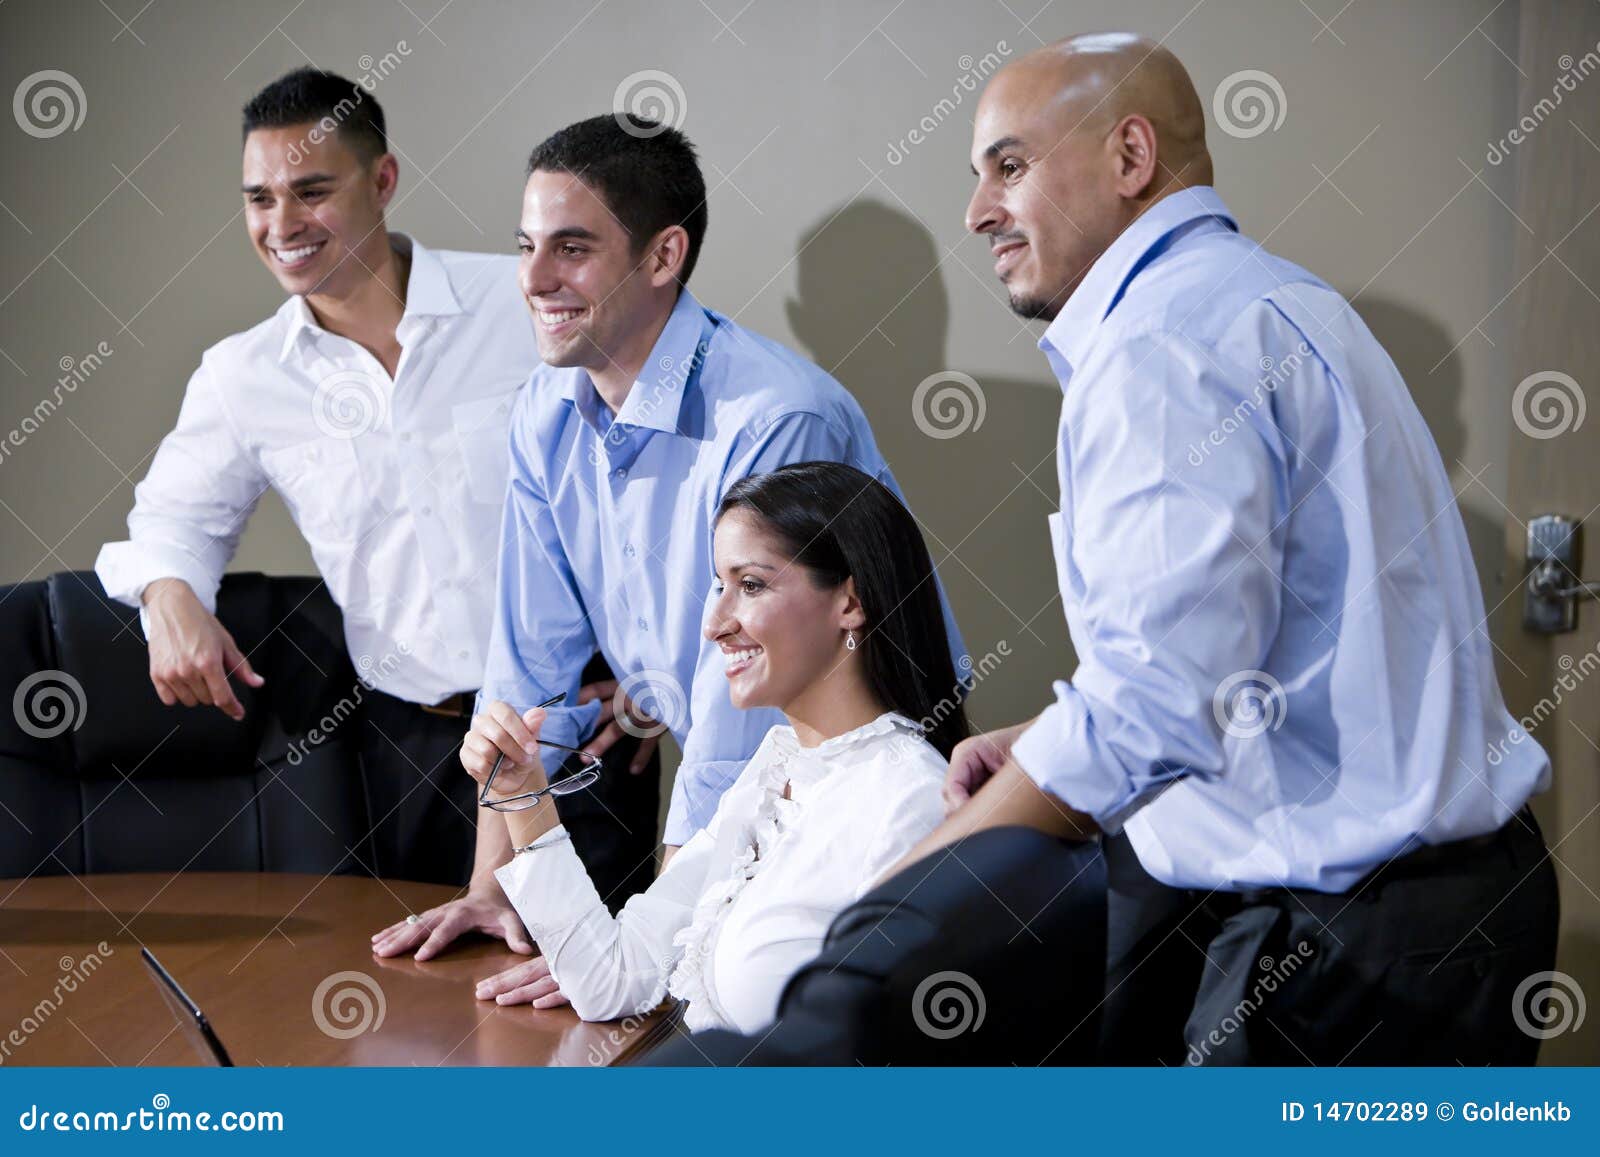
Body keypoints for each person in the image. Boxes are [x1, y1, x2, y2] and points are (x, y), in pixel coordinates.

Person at [899, 33, 1558, 1065]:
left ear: (1128, 158)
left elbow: (1159, 700)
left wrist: (904, 895)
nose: (978, 210)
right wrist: (1043, 736)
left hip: (1344, 952)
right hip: (1440, 917)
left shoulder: (1159, 345)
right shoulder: (1270, 300)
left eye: (1009, 165)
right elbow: (1245, 648)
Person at [369, 115, 966, 1009]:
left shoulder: (770, 418)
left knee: (728, 1015)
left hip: (853, 778)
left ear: (663, 256)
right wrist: (493, 885)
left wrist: (661, 961)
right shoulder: (546, 410)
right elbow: (529, 669)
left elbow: (739, 728)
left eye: (571, 248)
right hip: (753, 786)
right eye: (527, 246)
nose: (533, 279)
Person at [94, 69, 656, 893]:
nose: (282, 224)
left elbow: (660, 483)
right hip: (407, 753)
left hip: (574, 730)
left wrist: (663, 676)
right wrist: (169, 595)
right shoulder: (241, 377)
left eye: (310, 190)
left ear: (382, 180)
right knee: (434, 1010)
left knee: (599, 1005)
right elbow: (169, 524)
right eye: (258, 198)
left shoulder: (520, 305)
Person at [464, 462, 967, 1031]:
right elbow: (613, 979)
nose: (714, 624)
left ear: (850, 601)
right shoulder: (774, 772)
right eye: (716, 585)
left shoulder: (909, 800)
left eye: (750, 585)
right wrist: (525, 793)